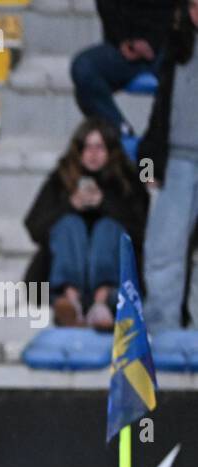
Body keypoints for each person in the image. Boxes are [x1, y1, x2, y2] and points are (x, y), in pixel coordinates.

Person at [24, 117, 147, 329]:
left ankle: (102, 303)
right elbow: (34, 227)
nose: (93, 154)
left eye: (99, 147)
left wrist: (104, 203)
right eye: (87, 147)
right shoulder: (61, 178)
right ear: (78, 150)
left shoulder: (128, 181)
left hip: (116, 283)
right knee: (69, 223)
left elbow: (143, 231)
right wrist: (70, 205)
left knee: (108, 226)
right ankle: (71, 303)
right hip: (62, 282)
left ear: (110, 149)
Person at [140, 0, 198, 331]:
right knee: (164, 251)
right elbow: (155, 123)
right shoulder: (175, 51)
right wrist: (149, 173)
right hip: (177, 161)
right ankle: (161, 330)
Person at [71, 0, 173, 138]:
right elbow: (108, 8)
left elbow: (180, 13)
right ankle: (121, 132)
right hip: (124, 47)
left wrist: (152, 43)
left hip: (169, 47)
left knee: (185, 75)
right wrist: (126, 43)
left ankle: (165, 139)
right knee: (84, 69)